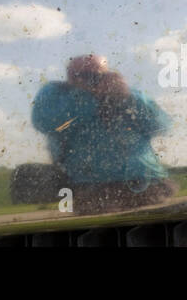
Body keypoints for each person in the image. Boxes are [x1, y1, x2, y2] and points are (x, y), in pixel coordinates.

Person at [30, 54, 174, 211]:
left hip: (145, 179)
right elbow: (43, 122)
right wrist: (91, 99)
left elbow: (162, 126)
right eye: (80, 75)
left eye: (95, 75)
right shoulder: (56, 94)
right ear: (69, 76)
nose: (86, 80)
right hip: (90, 184)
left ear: (107, 74)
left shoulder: (127, 93)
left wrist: (129, 98)